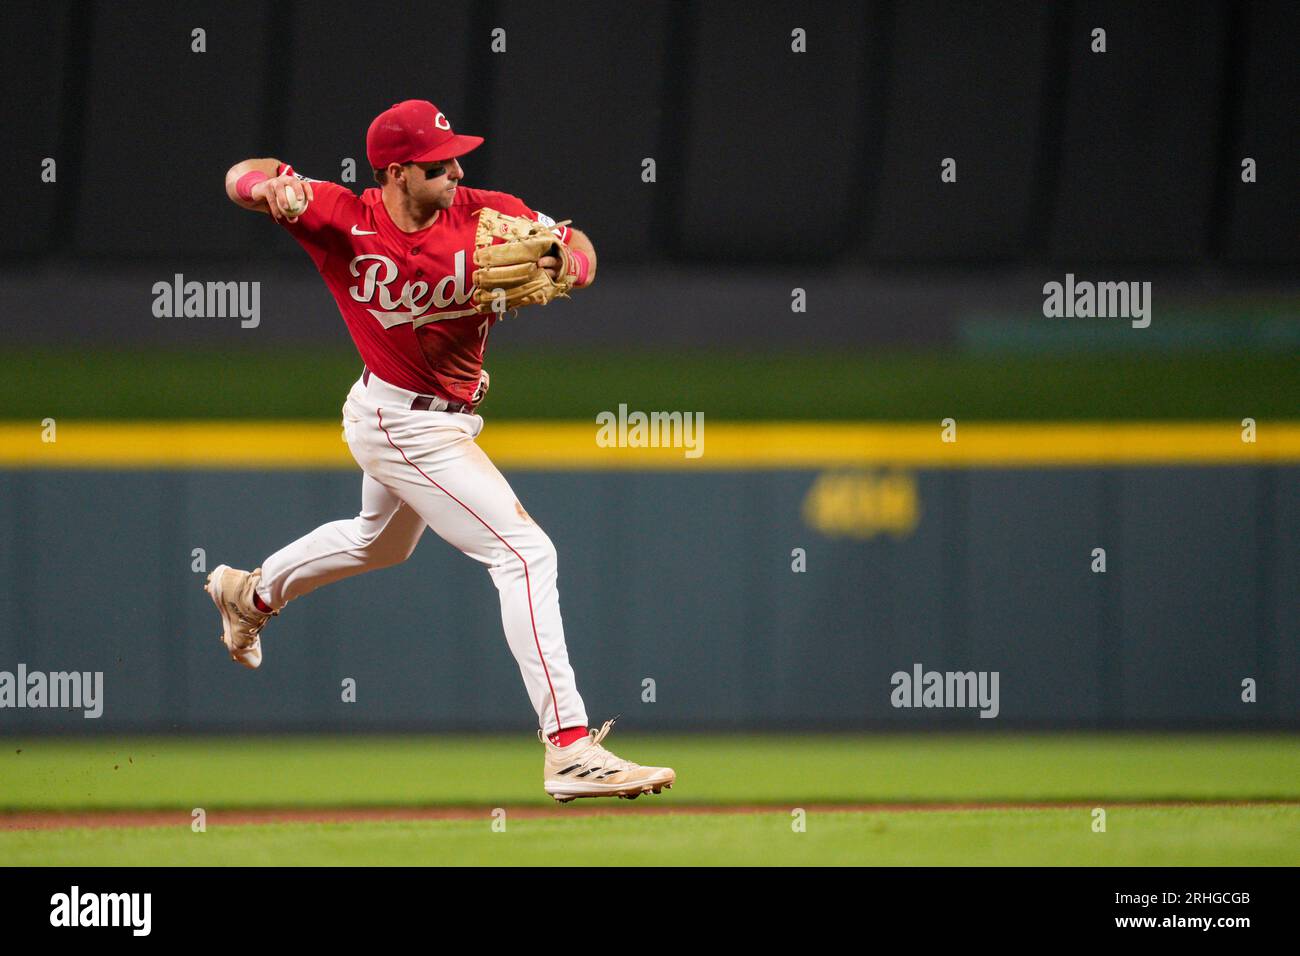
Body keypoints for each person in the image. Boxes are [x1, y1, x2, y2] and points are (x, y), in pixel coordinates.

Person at [211, 99, 674, 803]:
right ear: (396, 172)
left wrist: (566, 262)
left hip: (441, 418)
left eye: (457, 156)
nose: (456, 170)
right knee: (525, 552)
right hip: (399, 419)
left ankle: (251, 593)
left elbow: (579, 247)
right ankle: (571, 749)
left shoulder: (488, 213)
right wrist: (268, 186)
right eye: (438, 164)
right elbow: (244, 173)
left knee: (380, 544)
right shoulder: (341, 215)